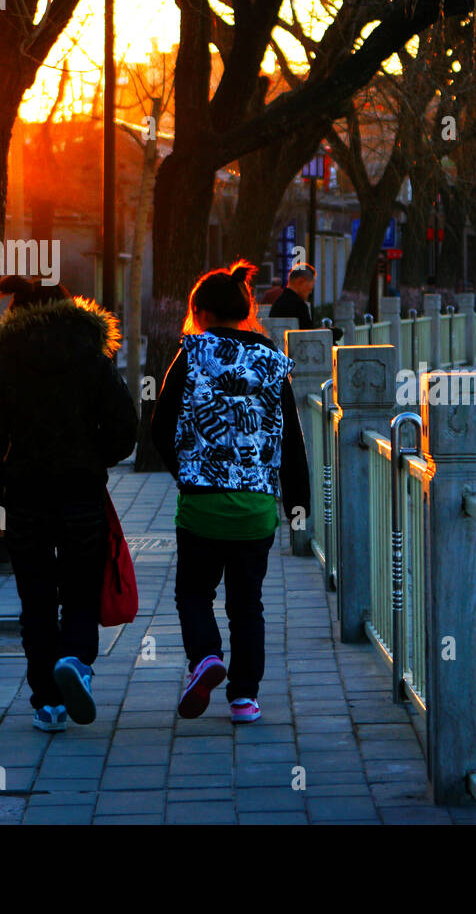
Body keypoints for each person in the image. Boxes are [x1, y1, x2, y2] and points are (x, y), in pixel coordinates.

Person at [0, 275, 137, 732]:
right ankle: (77, 662)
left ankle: (47, 704)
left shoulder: (7, 364)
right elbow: (125, 427)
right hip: (81, 497)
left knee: (37, 602)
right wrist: (91, 459)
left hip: (24, 499)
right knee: (82, 592)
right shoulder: (93, 357)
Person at [150, 261, 310, 724]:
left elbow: (160, 425)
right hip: (257, 507)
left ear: (197, 312)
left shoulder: (192, 354)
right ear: (245, 310)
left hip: (201, 503)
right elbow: (291, 441)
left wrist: (186, 473)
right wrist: (297, 505)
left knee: (194, 592)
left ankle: (204, 658)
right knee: (248, 604)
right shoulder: (271, 360)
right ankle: (244, 698)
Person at [267, 262, 316, 328]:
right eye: (309, 289)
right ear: (301, 281)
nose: (310, 293)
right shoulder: (300, 306)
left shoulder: (278, 303)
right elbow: (309, 335)